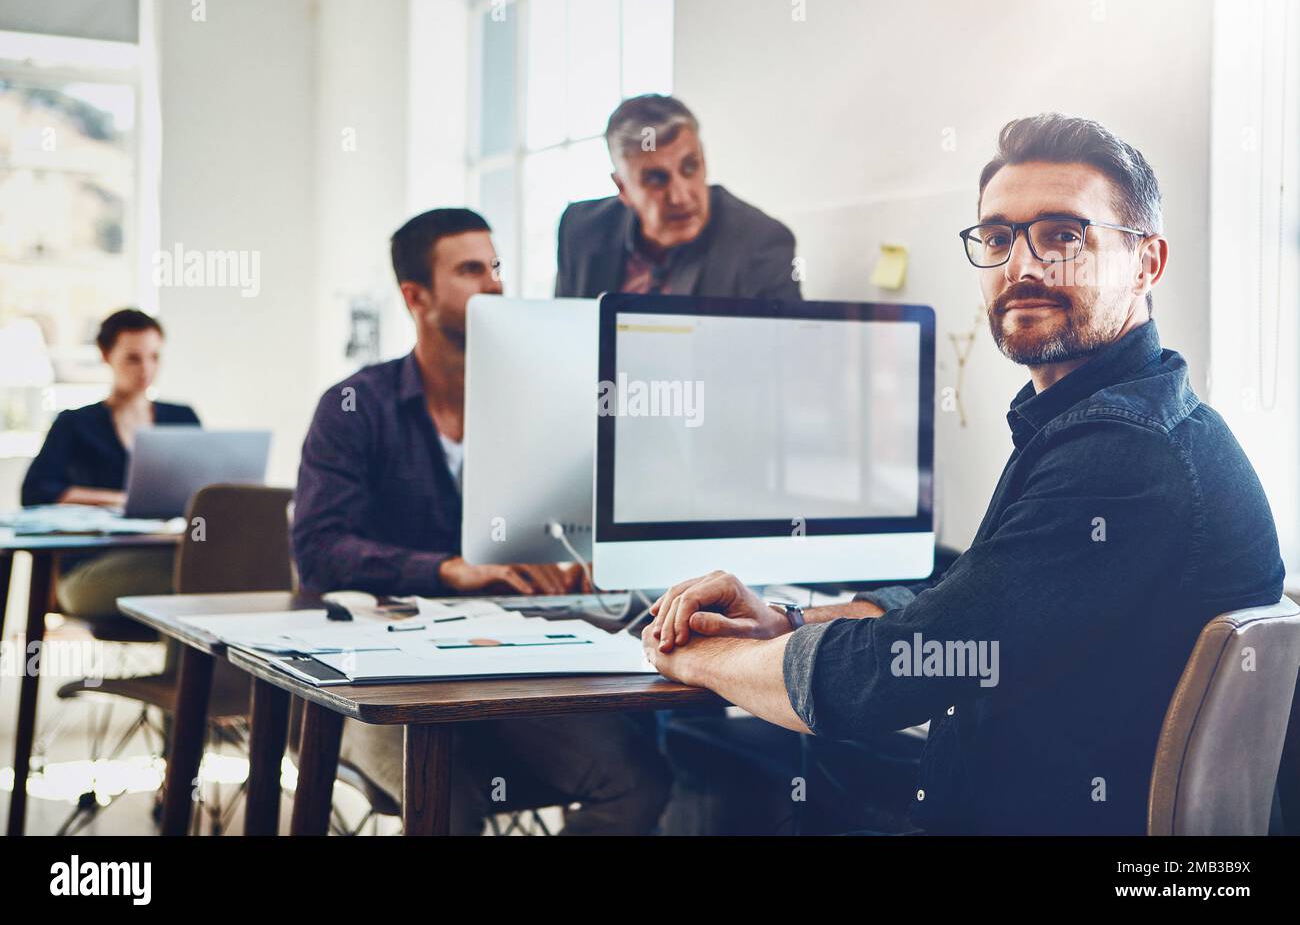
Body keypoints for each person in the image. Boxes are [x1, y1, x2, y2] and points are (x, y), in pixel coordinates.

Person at [639, 113, 1285, 835]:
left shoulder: (1122, 452)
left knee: (729, 763)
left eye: (1065, 235)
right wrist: (782, 620)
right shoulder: (1130, 420)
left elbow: (896, 672)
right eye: (1000, 237)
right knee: (747, 760)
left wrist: (698, 656)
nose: (1023, 266)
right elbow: (964, 603)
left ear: (1147, 263)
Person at [292, 208, 671, 835]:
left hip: (513, 664)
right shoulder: (355, 408)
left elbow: (586, 524)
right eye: (470, 270)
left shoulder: (544, 402)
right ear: (415, 296)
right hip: (390, 680)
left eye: (495, 268)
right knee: (445, 802)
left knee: (639, 783)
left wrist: (586, 558)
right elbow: (318, 550)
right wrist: (448, 570)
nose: (494, 285)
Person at [22, 309, 200, 618]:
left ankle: (187, 668)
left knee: (219, 563)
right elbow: (36, 492)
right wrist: (122, 501)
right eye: (133, 358)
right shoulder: (75, 424)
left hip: (171, 550)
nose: (146, 369)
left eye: (154, 357)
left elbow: (205, 491)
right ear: (106, 355)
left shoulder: (181, 419)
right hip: (91, 569)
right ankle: (184, 669)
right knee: (197, 571)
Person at [555, 94, 802, 300]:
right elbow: (567, 337)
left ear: (704, 160)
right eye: (655, 179)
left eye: (690, 166)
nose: (680, 196)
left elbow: (783, 351)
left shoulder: (761, 243)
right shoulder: (579, 230)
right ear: (623, 188)